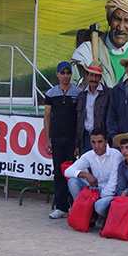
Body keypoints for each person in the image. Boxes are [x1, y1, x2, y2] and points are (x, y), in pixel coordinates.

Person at [44, 61, 83, 219]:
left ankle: (75, 205)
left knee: (73, 173)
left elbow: (80, 118)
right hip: (57, 138)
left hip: (72, 139)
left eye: (68, 73)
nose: (66, 76)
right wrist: (48, 140)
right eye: (63, 73)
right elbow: (47, 118)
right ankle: (61, 206)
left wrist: (78, 142)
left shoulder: (78, 93)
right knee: (59, 173)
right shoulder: (51, 93)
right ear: (57, 74)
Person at [64, 128, 123, 224]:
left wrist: (94, 200)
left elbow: (113, 184)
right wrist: (84, 174)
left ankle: (94, 213)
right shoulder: (89, 155)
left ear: (106, 142)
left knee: (99, 207)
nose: (96, 146)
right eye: (93, 142)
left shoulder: (116, 155)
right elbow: (68, 171)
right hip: (95, 192)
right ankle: (85, 212)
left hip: (111, 195)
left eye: (100, 142)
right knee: (72, 182)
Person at [75, 60, 109, 155]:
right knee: (86, 167)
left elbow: (110, 118)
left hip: (101, 139)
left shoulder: (108, 94)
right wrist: (77, 144)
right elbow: (78, 121)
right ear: (87, 76)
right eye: (91, 75)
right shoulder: (81, 96)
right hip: (85, 138)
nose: (93, 79)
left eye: (96, 76)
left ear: (100, 78)